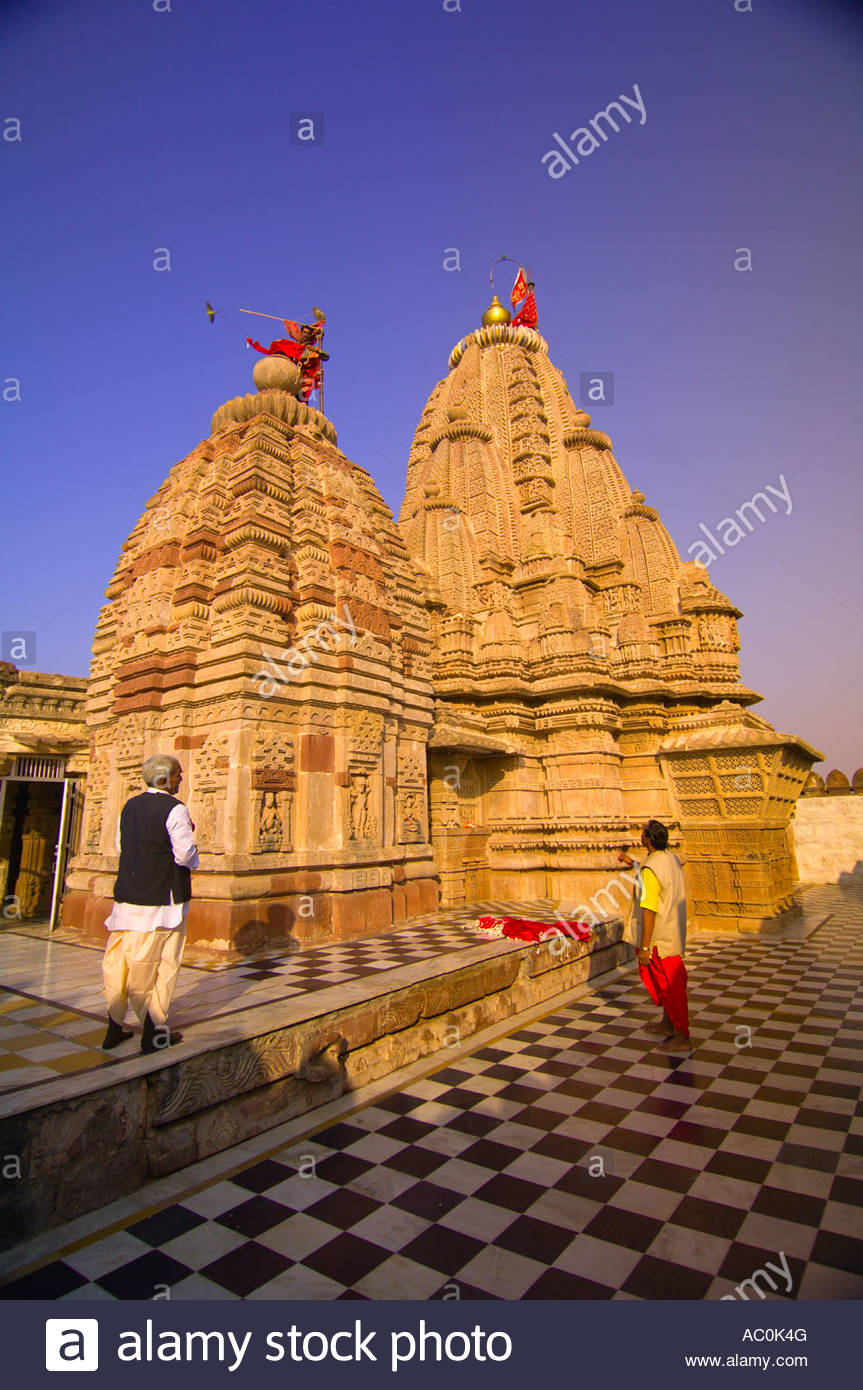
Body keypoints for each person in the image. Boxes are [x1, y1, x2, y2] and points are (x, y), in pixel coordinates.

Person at [101, 754, 199, 1055]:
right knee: (161, 963)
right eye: (177, 775)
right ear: (164, 778)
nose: (181, 779)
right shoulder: (175, 809)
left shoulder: (129, 806)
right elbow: (184, 854)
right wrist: (195, 858)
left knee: (118, 961)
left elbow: (121, 845)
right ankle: (153, 1029)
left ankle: (114, 1025)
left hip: (128, 896)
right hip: (162, 900)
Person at [618, 819, 692, 1056]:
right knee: (670, 983)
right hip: (673, 931)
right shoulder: (669, 859)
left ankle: (683, 1036)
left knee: (670, 985)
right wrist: (633, 864)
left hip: (659, 937)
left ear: (647, 839)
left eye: (642, 833)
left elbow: (649, 908)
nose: (640, 836)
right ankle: (668, 1022)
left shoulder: (653, 868)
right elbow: (654, 875)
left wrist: (645, 946)